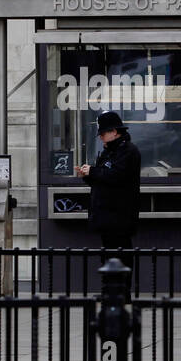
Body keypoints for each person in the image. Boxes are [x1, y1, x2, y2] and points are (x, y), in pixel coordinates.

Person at [76, 110, 141, 256]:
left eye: (103, 133)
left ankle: (121, 279)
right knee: (109, 256)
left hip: (119, 217)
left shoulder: (128, 151)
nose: (101, 137)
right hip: (107, 217)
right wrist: (87, 175)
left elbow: (117, 176)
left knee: (119, 256)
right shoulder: (109, 151)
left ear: (114, 132)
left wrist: (92, 171)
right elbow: (102, 179)